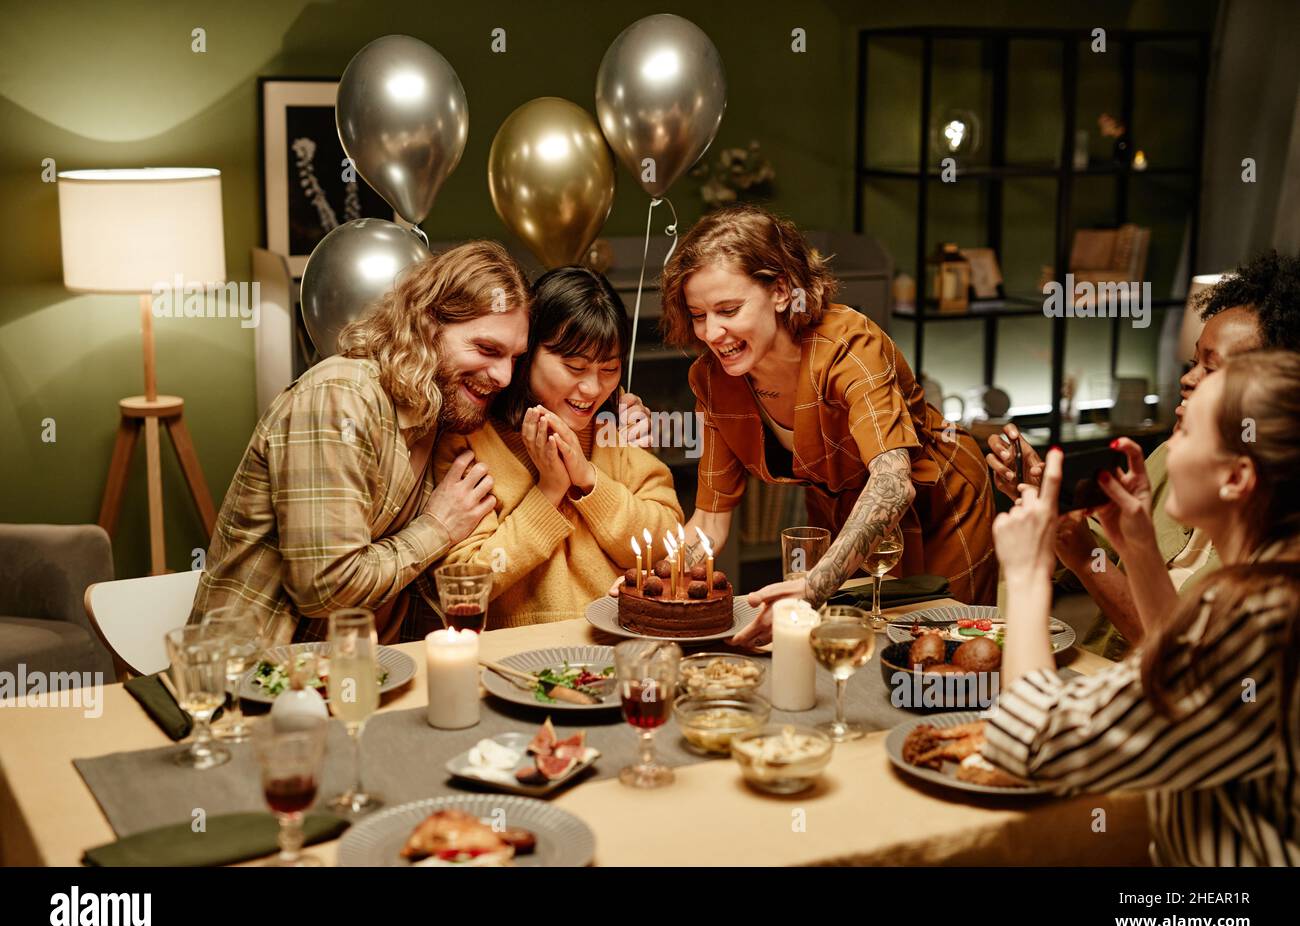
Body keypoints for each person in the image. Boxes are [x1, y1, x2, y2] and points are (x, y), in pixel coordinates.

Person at [984, 349, 1300, 865]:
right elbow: (1183, 671)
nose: (1167, 447)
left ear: (1237, 478)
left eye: (1187, 434)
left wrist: (1025, 575)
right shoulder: (1267, 586)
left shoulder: (1261, 622)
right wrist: (1138, 550)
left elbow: (1033, 743)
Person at [656, 205, 996, 646]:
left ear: (780, 291)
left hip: (940, 505)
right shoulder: (712, 379)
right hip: (842, 513)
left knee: (949, 649)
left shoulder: (849, 344)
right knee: (860, 649)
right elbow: (710, 520)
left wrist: (815, 585)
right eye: (699, 315)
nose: (712, 332)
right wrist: (657, 586)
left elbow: (893, 483)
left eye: (728, 309)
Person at [190, 241, 531, 644]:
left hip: (376, 675)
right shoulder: (341, 398)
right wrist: (438, 528)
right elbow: (325, 589)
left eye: (514, 358)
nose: (503, 376)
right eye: (487, 349)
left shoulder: (440, 412)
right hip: (259, 682)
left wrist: (609, 410)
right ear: (426, 326)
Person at [986, 250, 1300, 659]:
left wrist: (1031, 575)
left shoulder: (1266, 588)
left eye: (1211, 369)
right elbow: (1170, 639)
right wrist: (1054, 510)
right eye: (1192, 364)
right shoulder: (1175, 457)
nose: (1186, 380)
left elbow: (1181, 666)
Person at [434, 267, 684, 628]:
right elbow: (465, 585)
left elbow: (669, 545)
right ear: (528, 353)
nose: (592, 389)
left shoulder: (620, 427)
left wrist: (588, 480)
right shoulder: (470, 438)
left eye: (609, 369)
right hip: (520, 661)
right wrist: (548, 492)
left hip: (621, 645)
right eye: (574, 367)